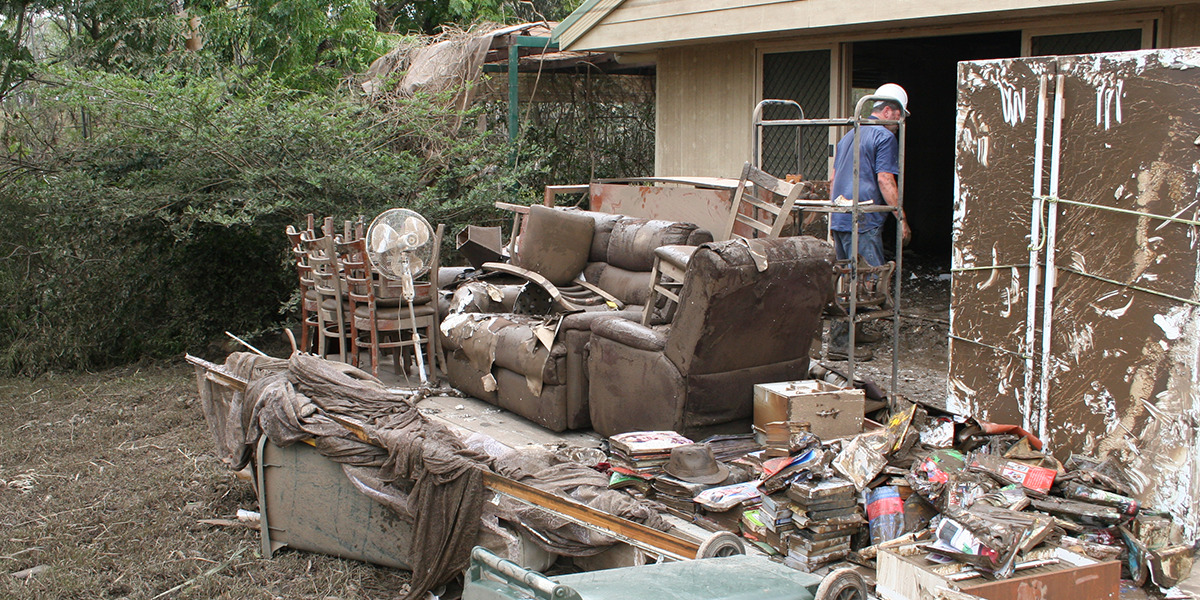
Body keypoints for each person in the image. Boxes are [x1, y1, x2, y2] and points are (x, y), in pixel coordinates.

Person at [827, 83, 911, 361]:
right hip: (862, 218)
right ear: (888, 111)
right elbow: (885, 179)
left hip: (841, 215)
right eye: (899, 117)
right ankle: (840, 343)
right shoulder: (884, 137)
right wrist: (901, 217)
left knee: (850, 275)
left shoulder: (850, 134)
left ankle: (855, 332)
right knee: (865, 280)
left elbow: (833, 179)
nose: (899, 124)